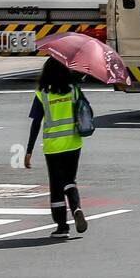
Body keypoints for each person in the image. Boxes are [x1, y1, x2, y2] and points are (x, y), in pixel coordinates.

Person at [24, 58, 89, 240]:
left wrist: (29, 151)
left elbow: (36, 123)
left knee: (56, 185)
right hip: (73, 143)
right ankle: (76, 207)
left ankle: (62, 227)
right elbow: (85, 109)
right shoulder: (74, 90)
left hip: (53, 147)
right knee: (70, 180)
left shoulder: (42, 93)